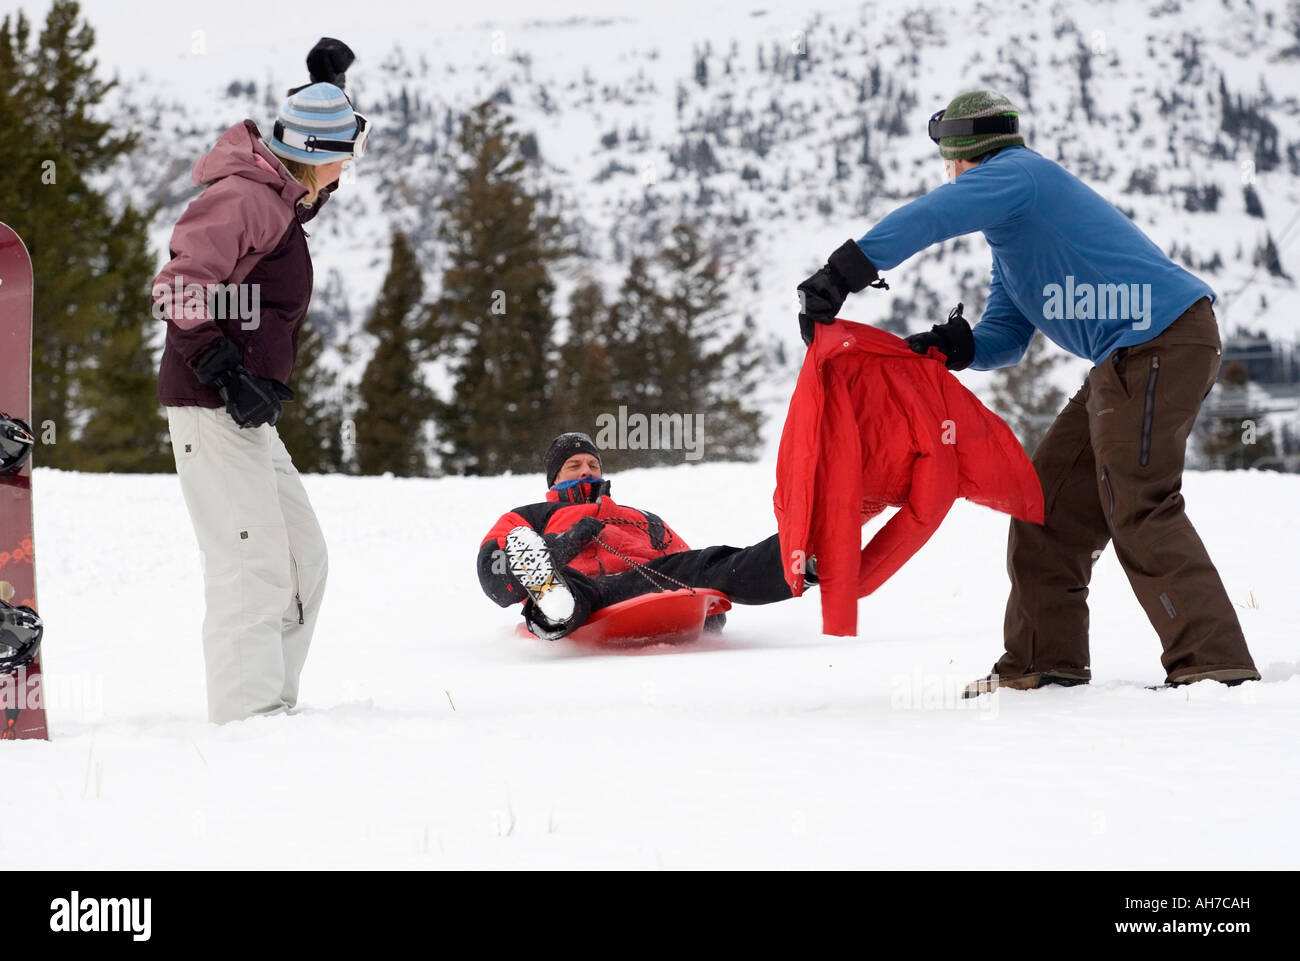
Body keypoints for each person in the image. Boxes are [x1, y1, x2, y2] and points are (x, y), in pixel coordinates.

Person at [796, 89, 1259, 693]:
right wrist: (950, 347)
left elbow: (933, 216)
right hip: (1128, 357)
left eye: (948, 161)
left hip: (1158, 343)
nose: (949, 174)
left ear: (963, 159)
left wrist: (840, 275)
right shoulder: (1014, 236)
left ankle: (1213, 663)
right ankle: (1043, 663)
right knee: (1045, 506)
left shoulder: (1018, 175)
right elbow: (1008, 336)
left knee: (1139, 502)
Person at [153, 39, 369, 722]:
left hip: (245, 411)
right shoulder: (245, 197)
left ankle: (275, 709)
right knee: (252, 568)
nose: (347, 169)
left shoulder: (278, 192)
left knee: (303, 562)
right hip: (210, 402)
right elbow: (178, 287)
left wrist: (324, 90)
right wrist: (221, 367)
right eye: (342, 153)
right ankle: (247, 729)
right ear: (313, 153)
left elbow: (297, 193)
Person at [477, 433, 799, 638]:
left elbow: (686, 563)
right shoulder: (529, 516)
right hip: (584, 593)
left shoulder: (642, 518)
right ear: (554, 478)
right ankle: (552, 598)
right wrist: (565, 544)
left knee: (707, 562)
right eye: (573, 465)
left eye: (592, 463)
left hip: (644, 584)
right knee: (571, 588)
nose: (586, 470)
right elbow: (493, 571)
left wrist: (706, 612)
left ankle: (800, 556)